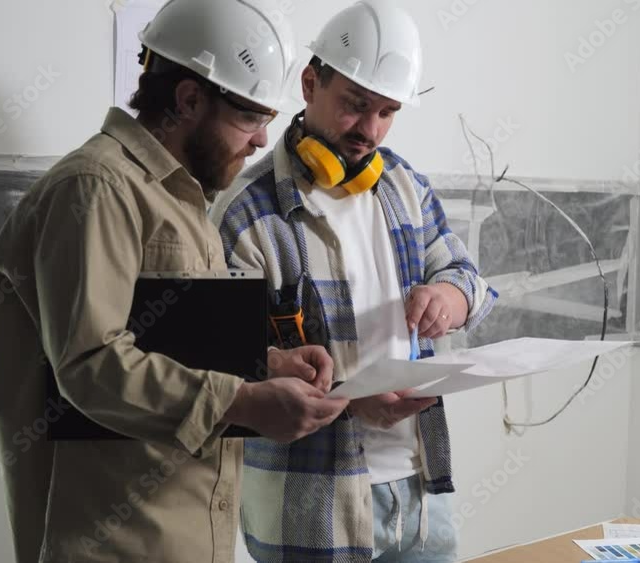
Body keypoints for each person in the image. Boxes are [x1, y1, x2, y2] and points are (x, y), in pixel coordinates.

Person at [0, 1, 348, 561]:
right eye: (251, 117)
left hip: (185, 534)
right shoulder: (97, 188)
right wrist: (245, 401)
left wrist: (264, 362)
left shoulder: (180, 198)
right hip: (119, 542)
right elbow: (91, 365)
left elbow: (164, 338)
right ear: (188, 99)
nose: (259, 142)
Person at [210, 1, 497, 561]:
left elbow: (469, 278)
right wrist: (348, 398)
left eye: (387, 112)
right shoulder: (244, 213)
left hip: (420, 488)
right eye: (355, 106)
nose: (370, 130)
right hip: (309, 502)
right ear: (310, 83)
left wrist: (451, 298)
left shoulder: (403, 185)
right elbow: (213, 366)